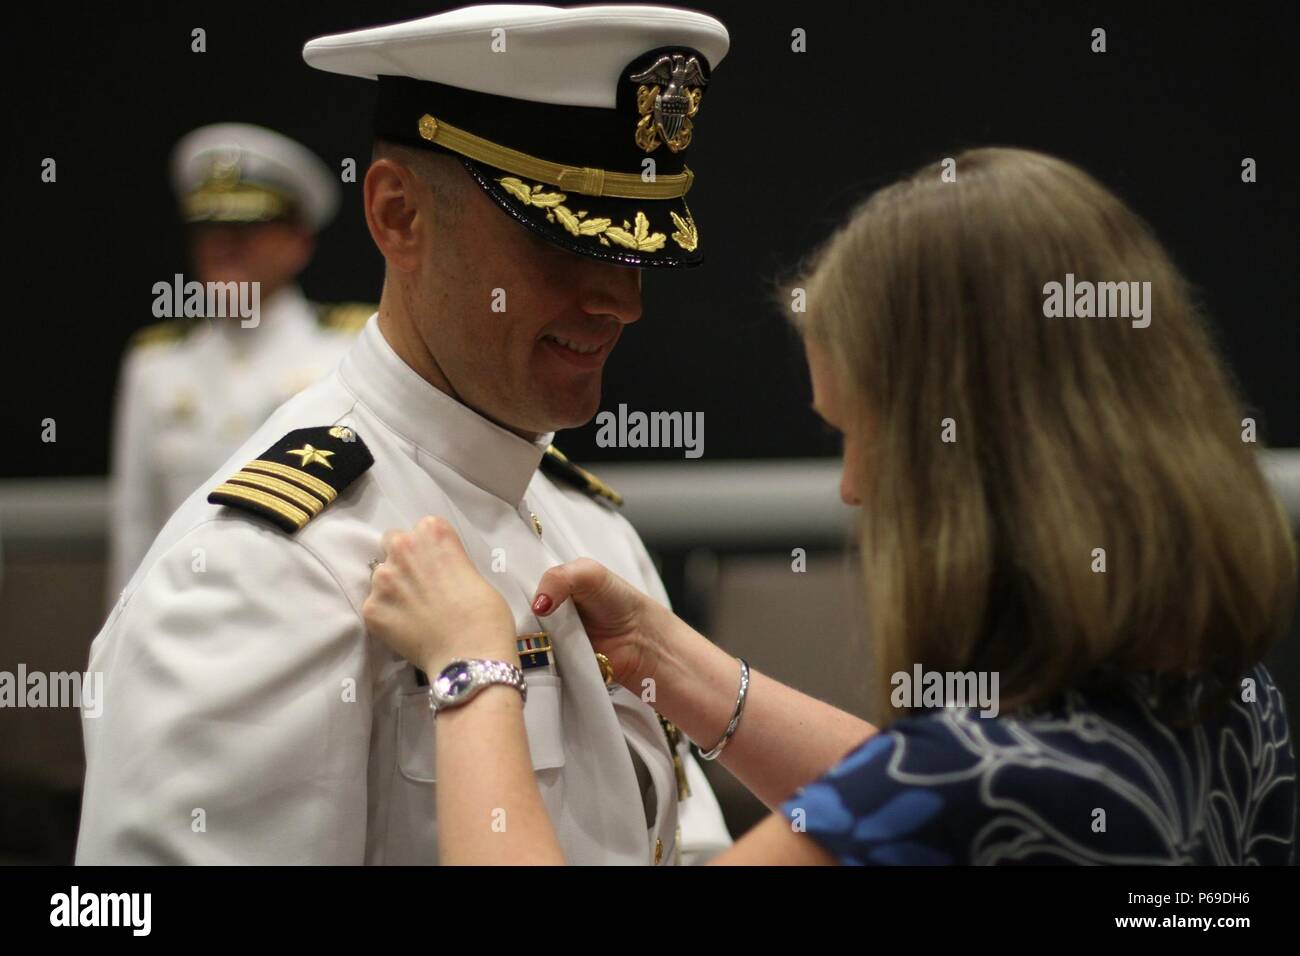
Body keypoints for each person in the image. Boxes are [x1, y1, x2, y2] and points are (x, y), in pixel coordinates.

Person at [361, 148, 1298, 865]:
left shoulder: (960, 780)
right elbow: (935, 803)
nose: (853, 486)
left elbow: (933, 793)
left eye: (860, 433)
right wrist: (678, 667)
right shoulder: (1229, 695)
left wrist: (472, 669)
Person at [78, 5, 733, 865]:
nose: (623, 299)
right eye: (561, 241)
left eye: (635, 248)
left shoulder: (590, 528)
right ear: (398, 217)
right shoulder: (257, 572)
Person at [107, 123, 370, 599]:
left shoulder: (351, 349)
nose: (224, 243)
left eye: (247, 225)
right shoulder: (156, 362)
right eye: (209, 226)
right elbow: (136, 529)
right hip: (182, 626)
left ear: (299, 241)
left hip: (310, 617)